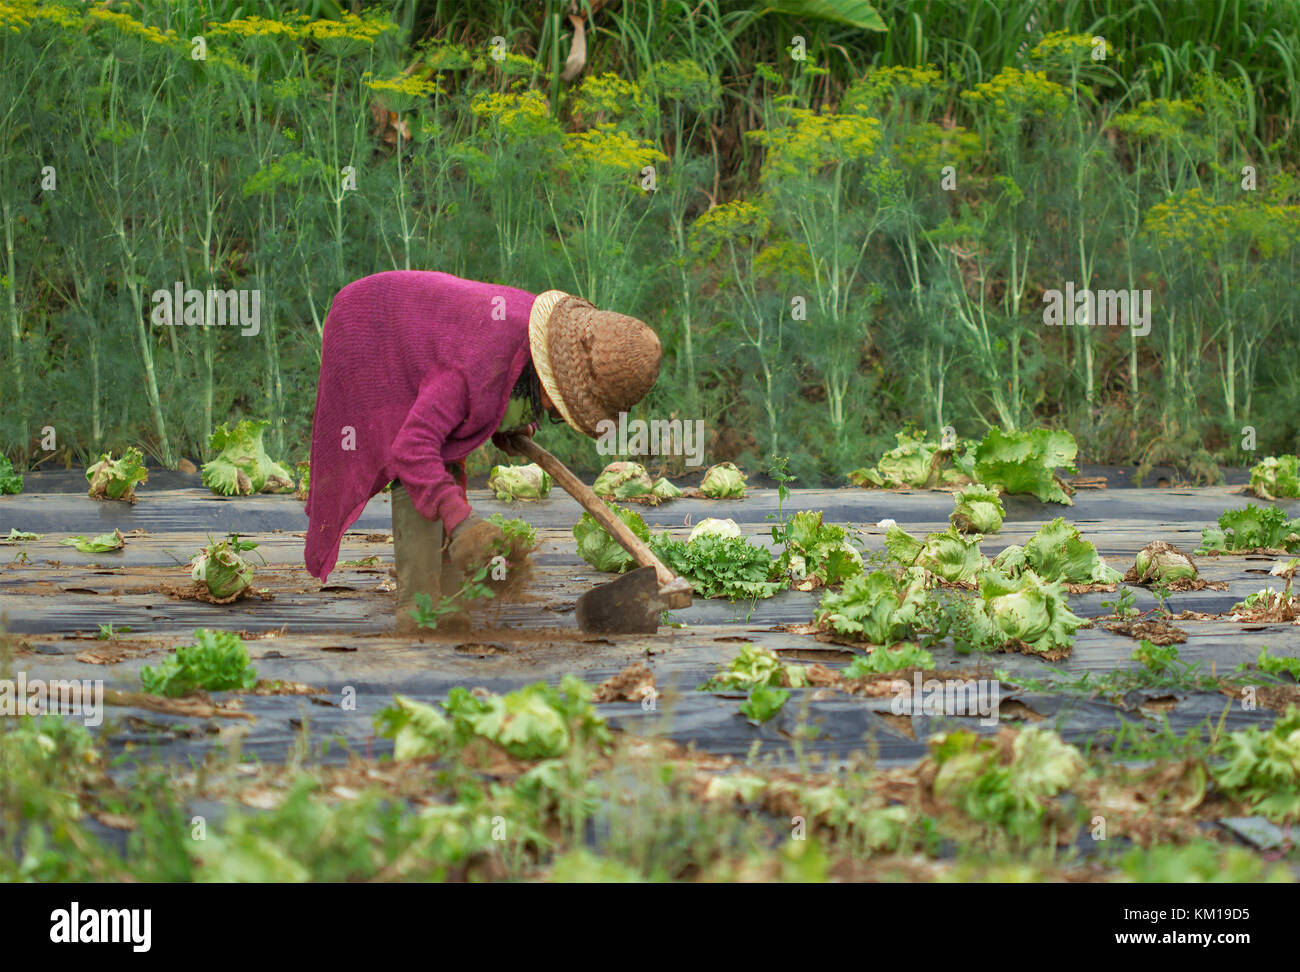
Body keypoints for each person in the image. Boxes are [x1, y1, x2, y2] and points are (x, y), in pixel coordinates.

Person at [303, 271, 661, 632]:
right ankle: (418, 607)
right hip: (371, 328)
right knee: (418, 460)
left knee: (443, 453)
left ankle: (450, 599)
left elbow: (512, 387)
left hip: (441, 343)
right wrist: (462, 522)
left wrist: (514, 423)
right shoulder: (470, 370)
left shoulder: (524, 350)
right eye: (566, 407)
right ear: (554, 380)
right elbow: (411, 449)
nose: (560, 415)